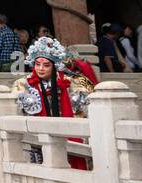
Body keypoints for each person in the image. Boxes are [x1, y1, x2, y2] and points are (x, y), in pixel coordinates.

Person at [12, 37, 94, 170]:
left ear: (54, 66)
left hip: (69, 137)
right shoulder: (22, 85)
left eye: (46, 65)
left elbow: (87, 108)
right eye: (37, 64)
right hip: (37, 140)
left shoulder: (72, 82)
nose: (41, 68)